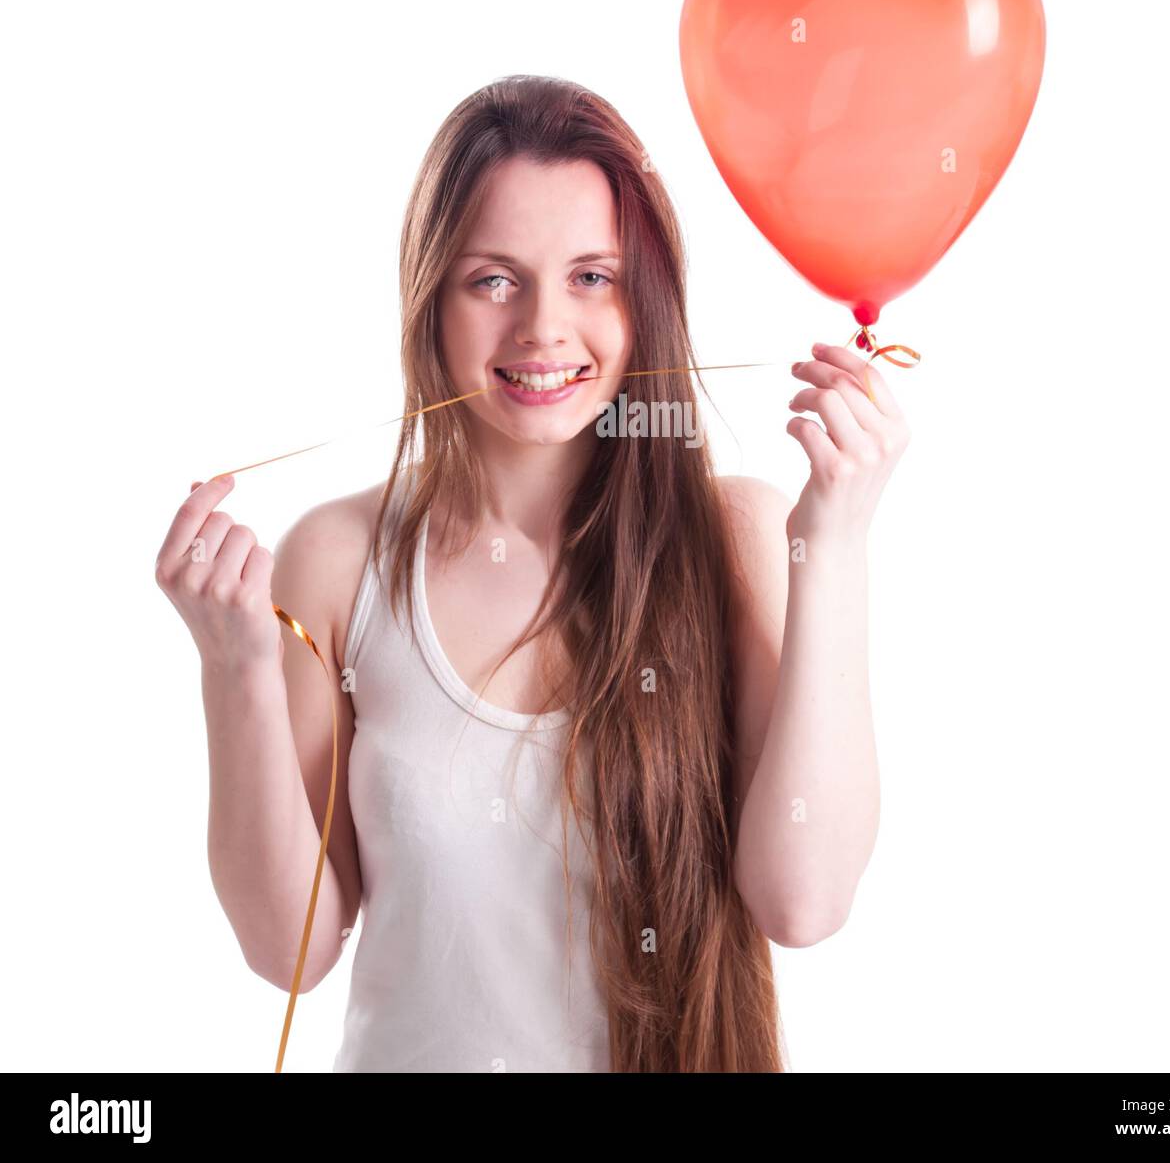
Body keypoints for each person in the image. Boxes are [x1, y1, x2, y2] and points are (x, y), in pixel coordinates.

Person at [155, 74, 909, 1073]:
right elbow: (287, 948)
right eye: (494, 279)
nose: (544, 328)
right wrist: (236, 671)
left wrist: (838, 543)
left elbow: (801, 901)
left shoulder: (738, 536)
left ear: (644, 301)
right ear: (432, 299)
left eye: (591, 277)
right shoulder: (338, 559)